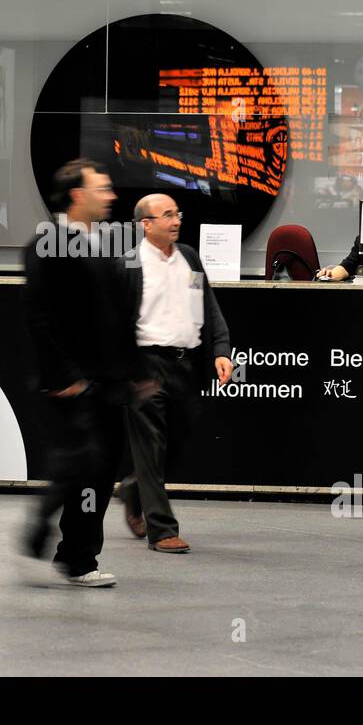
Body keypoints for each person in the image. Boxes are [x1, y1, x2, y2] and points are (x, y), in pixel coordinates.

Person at [20, 159, 143, 588]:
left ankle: (73, 553)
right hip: (71, 381)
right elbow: (41, 318)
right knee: (83, 464)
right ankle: (68, 549)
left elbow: (115, 316)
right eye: (101, 188)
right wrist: (63, 374)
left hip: (108, 379)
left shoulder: (104, 244)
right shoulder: (47, 245)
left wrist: (134, 371)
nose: (110, 196)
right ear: (77, 195)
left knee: (100, 469)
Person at [119, 194, 233, 553]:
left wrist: (221, 349)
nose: (175, 220)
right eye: (166, 215)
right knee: (150, 445)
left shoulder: (189, 257)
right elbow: (114, 323)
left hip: (186, 364)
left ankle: (133, 488)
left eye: (177, 213)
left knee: (178, 439)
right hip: (145, 365)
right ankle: (162, 529)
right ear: (145, 224)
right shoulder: (129, 265)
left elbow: (209, 306)